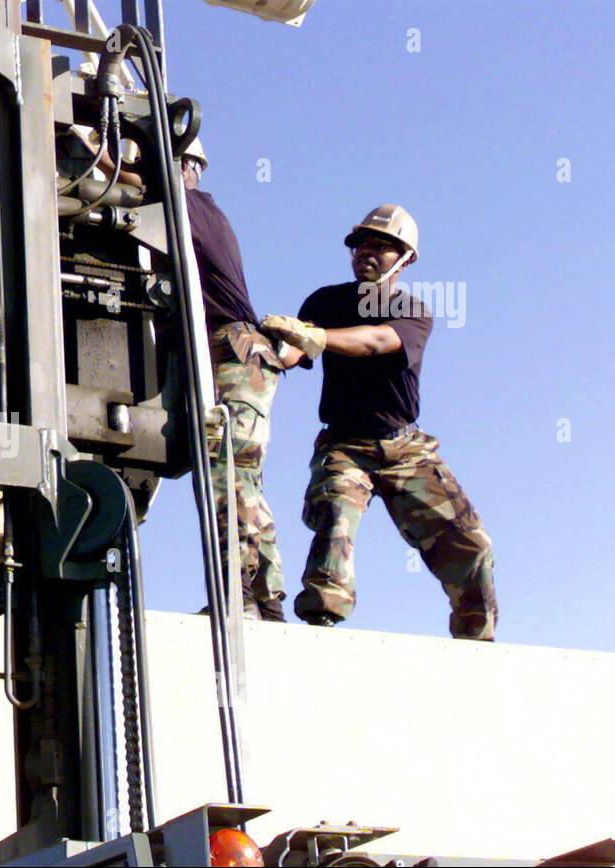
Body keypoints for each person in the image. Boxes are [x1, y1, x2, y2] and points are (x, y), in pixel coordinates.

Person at [262, 205, 497, 640]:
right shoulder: (326, 302)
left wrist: (319, 338)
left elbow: (376, 341)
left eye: (382, 247)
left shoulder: (412, 310)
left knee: (471, 546)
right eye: (361, 244)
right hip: (345, 446)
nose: (367, 253)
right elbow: (296, 351)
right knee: (335, 523)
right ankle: (321, 628)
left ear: (405, 259)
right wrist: (274, 348)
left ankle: (477, 647)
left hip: (406, 449)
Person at [184, 137, 290, 621]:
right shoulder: (203, 210)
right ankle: (265, 598)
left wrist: (97, 153)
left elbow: (137, 180)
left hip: (235, 352)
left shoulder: (192, 204)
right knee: (242, 474)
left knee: (225, 469)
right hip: (238, 354)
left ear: (187, 164)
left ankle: (238, 597)